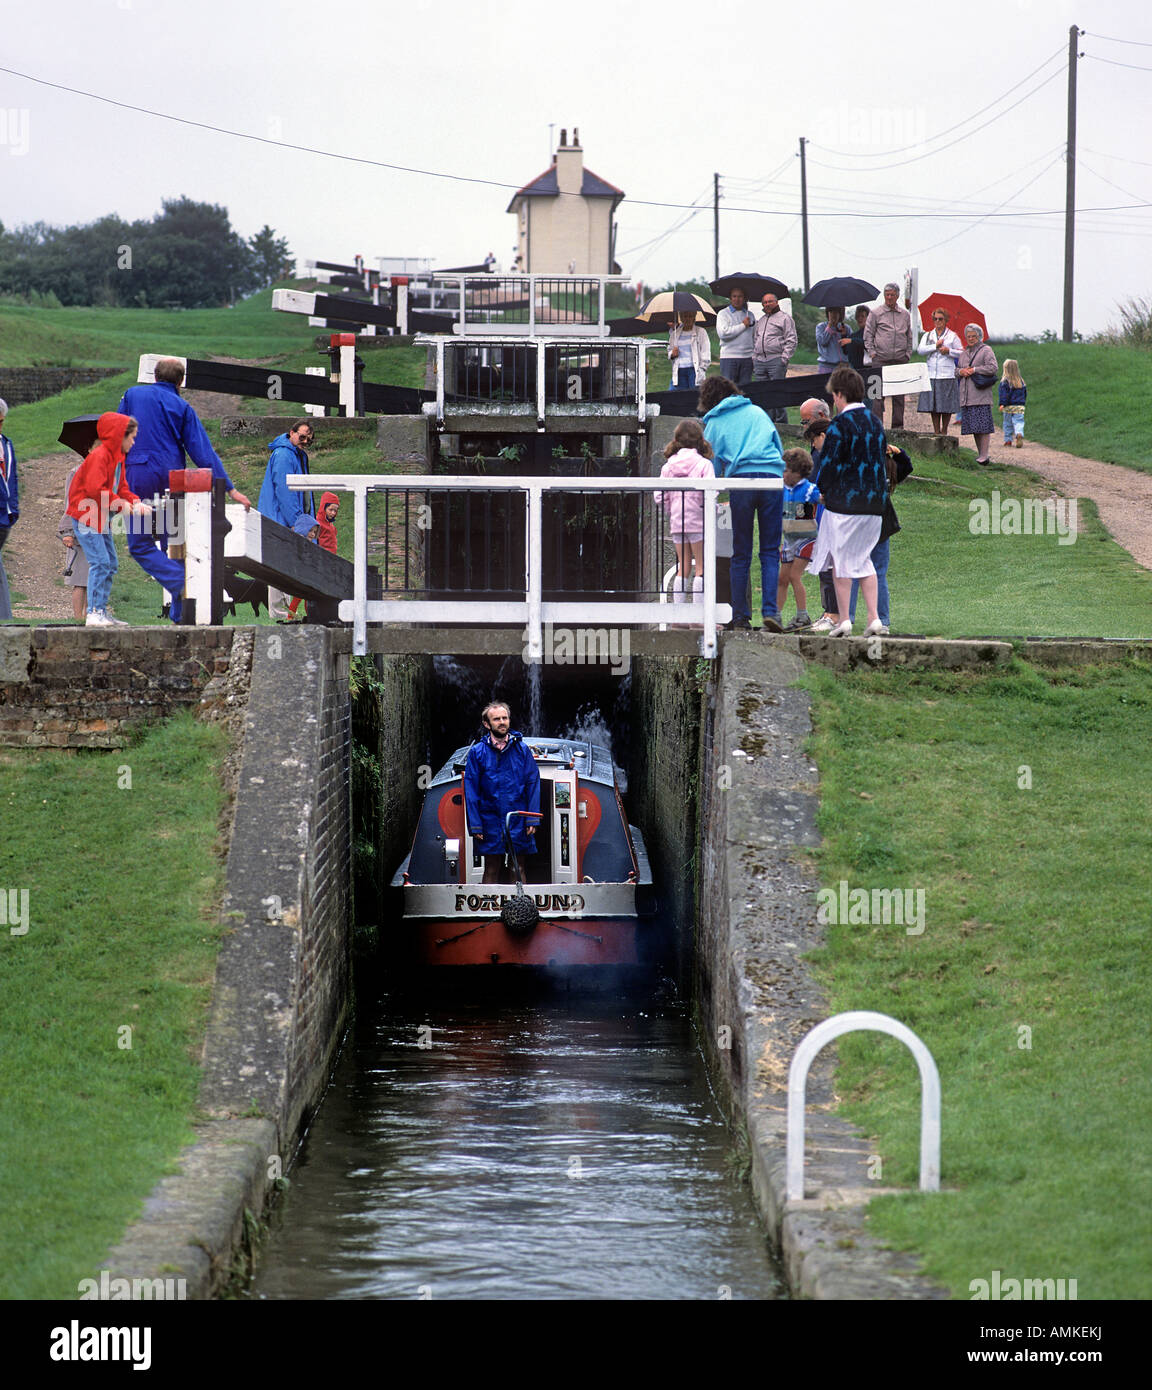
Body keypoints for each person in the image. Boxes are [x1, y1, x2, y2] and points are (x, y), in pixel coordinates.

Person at [118, 358, 251, 622]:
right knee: (175, 544)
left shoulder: (132, 395)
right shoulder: (182, 406)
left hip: (139, 473)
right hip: (173, 478)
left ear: (154, 376)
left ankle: (178, 583)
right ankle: (181, 614)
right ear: (181, 381)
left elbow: (116, 434)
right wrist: (230, 489)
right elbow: (202, 451)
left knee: (139, 544)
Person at [804, 366, 887, 637]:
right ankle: (874, 618)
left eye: (834, 396)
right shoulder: (875, 422)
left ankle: (844, 621)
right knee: (864, 560)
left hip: (845, 504)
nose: (834, 401)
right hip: (875, 505)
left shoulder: (839, 424)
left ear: (839, 395)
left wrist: (821, 490)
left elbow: (829, 463)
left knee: (841, 561)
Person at [698, 376, 785, 632]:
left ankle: (740, 618)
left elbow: (711, 466)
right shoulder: (757, 412)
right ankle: (771, 613)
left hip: (741, 482)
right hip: (771, 479)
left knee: (741, 552)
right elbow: (777, 447)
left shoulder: (713, 423)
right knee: (770, 551)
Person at [65, 413, 152, 628]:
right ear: (118, 436)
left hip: (100, 519)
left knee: (110, 563)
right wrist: (123, 505)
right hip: (86, 518)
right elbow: (95, 490)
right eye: (131, 437)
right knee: (100, 562)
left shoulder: (118, 459)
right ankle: (94, 613)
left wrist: (135, 501)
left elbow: (122, 488)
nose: (133, 442)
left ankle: (101, 611)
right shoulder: (99, 456)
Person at [463, 701, 541, 886]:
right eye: (496, 719)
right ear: (487, 724)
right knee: (491, 866)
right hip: (489, 819)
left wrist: (532, 819)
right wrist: (475, 825)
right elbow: (471, 790)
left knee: (518, 865)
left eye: (504, 718)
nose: (502, 722)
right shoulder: (477, 753)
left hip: (518, 816)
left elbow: (533, 783)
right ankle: (486, 910)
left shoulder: (521, 750)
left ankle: (520, 907)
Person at [847, 442, 914, 634]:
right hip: (882, 524)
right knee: (878, 573)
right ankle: (882, 620)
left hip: (858, 523)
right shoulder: (889, 467)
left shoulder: (859, 465)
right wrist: (899, 452)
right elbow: (907, 466)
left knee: (851, 571)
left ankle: (848, 617)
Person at [258, 420, 317, 618]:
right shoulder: (284, 455)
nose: (305, 441)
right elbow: (285, 490)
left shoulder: (292, 454)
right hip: (280, 518)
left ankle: (285, 610)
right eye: (302, 437)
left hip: (283, 517)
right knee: (280, 565)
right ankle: (280, 612)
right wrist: (295, 521)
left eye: (309, 439)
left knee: (283, 564)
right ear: (291, 433)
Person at [655, 419, 715, 608]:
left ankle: (678, 615)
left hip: (677, 520)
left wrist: (671, 511)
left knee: (683, 566)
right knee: (701, 567)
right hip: (697, 519)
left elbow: (659, 496)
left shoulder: (668, 467)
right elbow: (712, 492)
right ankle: (698, 615)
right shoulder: (704, 465)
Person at [798, 399, 839, 633]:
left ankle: (833, 613)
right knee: (822, 563)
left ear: (822, 415)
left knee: (829, 564)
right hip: (818, 509)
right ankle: (828, 611)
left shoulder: (831, 444)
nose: (804, 427)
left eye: (806, 421)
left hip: (829, 510)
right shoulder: (820, 445)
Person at [777, 448, 820, 630]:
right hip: (788, 538)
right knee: (782, 578)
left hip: (806, 538)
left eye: (787, 470)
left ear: (797, 472)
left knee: (795, 575)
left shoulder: (809, 489)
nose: (783, 474)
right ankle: (775, 615)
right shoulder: (781, 489)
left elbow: (823, 499)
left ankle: (803, 615)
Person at [864, 283, 914, 429]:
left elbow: (909, 336)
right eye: (887, 295)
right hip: (880, 360)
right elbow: (868, 335)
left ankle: (898, 428)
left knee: (899, 396)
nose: (890, 298)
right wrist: (872, 353)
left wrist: (908, 354)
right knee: (877, 395)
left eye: (892, 295)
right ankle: (877, 427)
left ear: (897, 296)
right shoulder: (875, 313)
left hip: (899, 360)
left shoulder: (905, 314)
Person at [287, 491, 340, 618]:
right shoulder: (317, 524)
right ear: (323, 507)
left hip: (329, 562)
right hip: (318, 561)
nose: (333, 513)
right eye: (330, 509)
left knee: (314, 592)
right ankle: (290, 615)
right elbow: (311, 539)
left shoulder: (331, 526)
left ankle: (311, 615)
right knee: (303, 591)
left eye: (335, 510)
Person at [752, 292, 797, 424]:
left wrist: (784, 358)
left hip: (776, 360)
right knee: (763, 394)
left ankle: (782, 424)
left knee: (778, 393)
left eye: (770, 301)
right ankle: (767, 423)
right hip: (760, 361)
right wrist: (754, 358)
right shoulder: (761, 320)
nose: (767, 304)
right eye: (765, 302)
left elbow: (792, 339)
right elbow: (755, 339)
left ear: (776, 302)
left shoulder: (785, 318)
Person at [956, 325, 999, 465]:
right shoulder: (964, 353)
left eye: (974, 336)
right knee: (974, 427)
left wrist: (974, 370)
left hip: (980, 395)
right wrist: (961, 372)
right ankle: (981, 454)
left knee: (983, 426)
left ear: (979, 336)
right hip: (966, 396)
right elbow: (956, 370)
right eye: (968, 336)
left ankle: (984, 455)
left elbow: (993, 367)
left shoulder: (986, 350)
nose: (971, 339)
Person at [917, 308, 963, 435]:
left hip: (947, 374)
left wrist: (949, 351)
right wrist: (934, 346)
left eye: (940, 319)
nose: (938, 321)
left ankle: (944, 429)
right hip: (931, 373)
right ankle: (936, 430)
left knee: (946, 405)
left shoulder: (952, 336)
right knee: (934, 405)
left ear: (946, 320)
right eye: (935, 319)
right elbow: (920, 350)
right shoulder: (928, 335)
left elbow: (962, 352)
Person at [59, 465, 90, 622]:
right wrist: (67, 531)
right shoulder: (76, 471)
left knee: (92, 580)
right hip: (78, 530)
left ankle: (89, 616)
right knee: (79, 580)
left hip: (97, 530)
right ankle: (78, 619)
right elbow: (69, 502)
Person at [716, 287, 755, 384]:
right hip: (729, 357)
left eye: (740, 296)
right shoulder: (723, 314)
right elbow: (724, 334)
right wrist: (743, 325)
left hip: (747, 358)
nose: (737, 299)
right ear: (730, 298)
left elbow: (754, 336)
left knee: (745, 390)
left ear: (744, 298)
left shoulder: (750, 315)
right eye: (734, 296)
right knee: (729, 389)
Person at [0, 398, 17, 621]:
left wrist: (13, 509)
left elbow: (11, 478)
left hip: (4, 515)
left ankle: (5, 620)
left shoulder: (6, 444)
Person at [667, 310, 710, 391]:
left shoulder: (701, 332)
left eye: (690, 316)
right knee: (675, 396)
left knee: (695, 397)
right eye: (685, 316)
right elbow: (669, 351)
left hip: (694, 371)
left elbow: (706, 353)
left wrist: (702, 369)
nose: (688, 319)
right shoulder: (675, 334)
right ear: (681, 318)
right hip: (679, 370)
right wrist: (672, 354)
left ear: (694, 317)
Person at [999, 359, 1027, 448]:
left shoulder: (1005, 382)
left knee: (1007, 423)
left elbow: (1004, 395)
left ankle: (1008, 440)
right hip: (1019, 406)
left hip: (1008, 406)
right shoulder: (1021, 381)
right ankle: (1019, 433)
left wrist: (1002, 404)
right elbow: (1025, 394)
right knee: (1018, 421)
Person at [815, 307, 852, 372]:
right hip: (826, 366)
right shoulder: (821, 326)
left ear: (840, 314)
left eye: (836, 312)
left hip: (843, 367)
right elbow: (822, 342)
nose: (833, 314)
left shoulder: (846, 328)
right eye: (831, 311)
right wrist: (829, 327)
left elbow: (851, 347)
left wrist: (844, 336)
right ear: (827, 313)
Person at [845, 305, 870, 372]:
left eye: (862, 316)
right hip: (855, 371)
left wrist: (852, 341)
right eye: (858, 316)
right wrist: (843, 335)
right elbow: (845, 351)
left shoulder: (873, 332)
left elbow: (869, 344)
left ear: (868, 318)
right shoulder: (853, 335)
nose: (860, 319)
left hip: (869, 370)